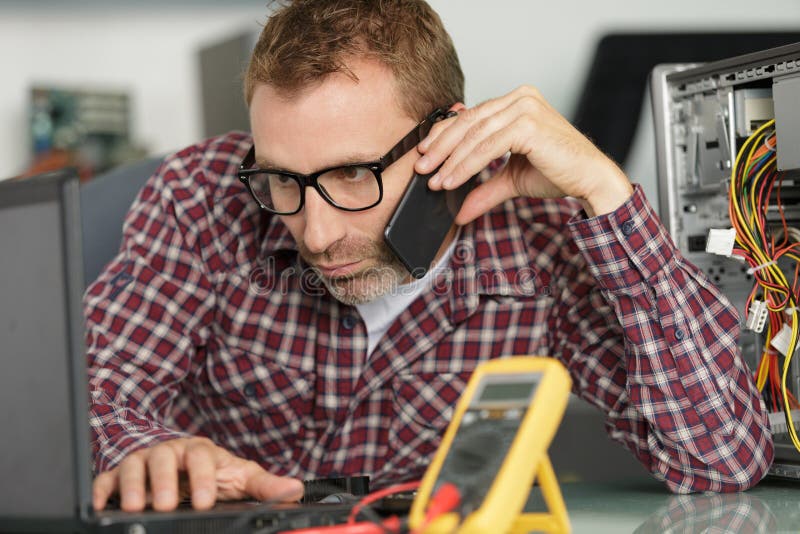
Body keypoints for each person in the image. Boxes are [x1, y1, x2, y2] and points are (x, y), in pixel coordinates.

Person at [87, 0, 773, 513]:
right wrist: (145, 451)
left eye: (352, 174)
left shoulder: (543, 240)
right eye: (281, 179)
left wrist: (607, 195)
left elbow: (720, 461)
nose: (316, 234)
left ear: (445, 137)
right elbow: (94, 396)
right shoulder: (200, 198)